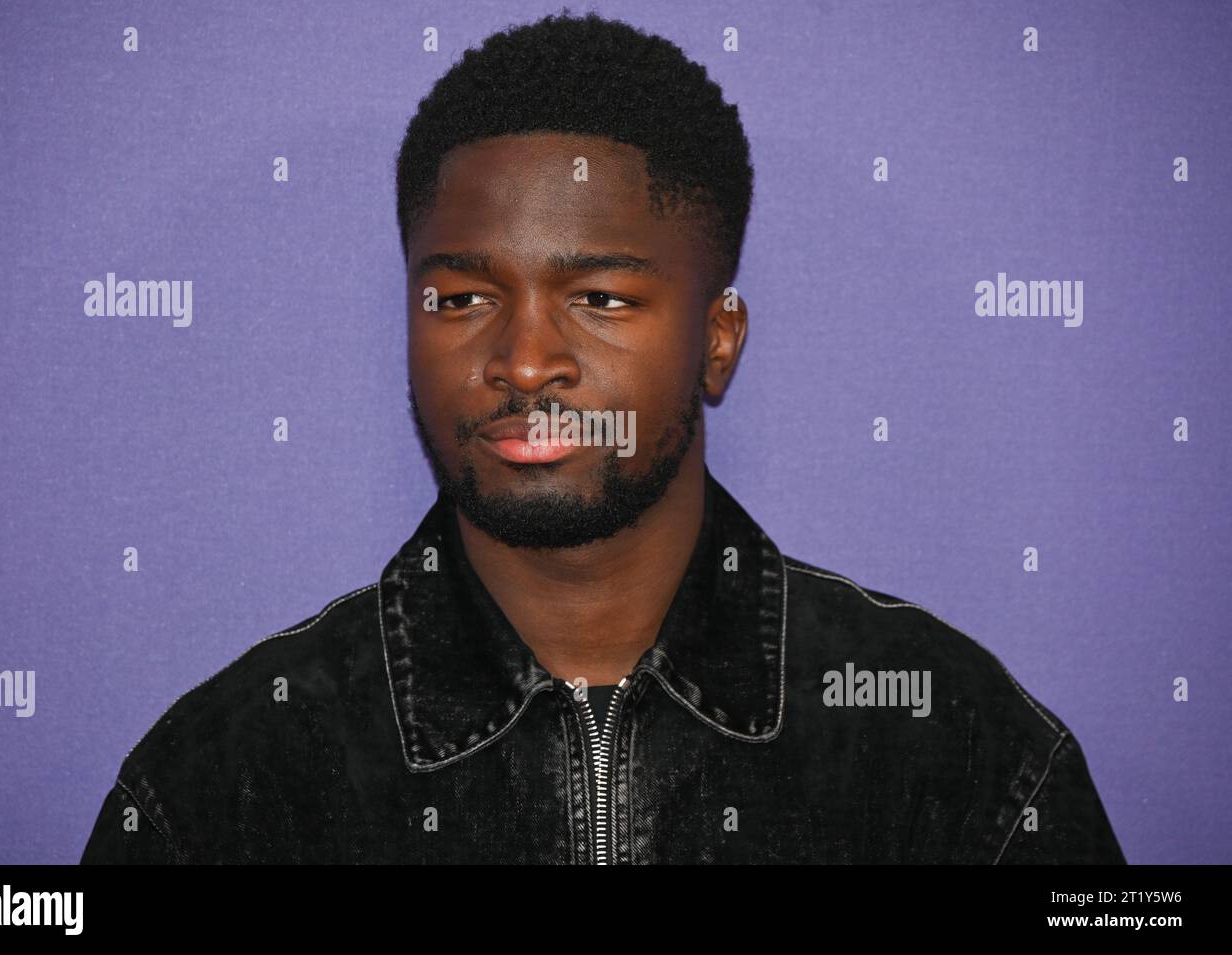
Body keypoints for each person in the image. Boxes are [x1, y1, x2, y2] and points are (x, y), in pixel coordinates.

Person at [81, 10, 1125, 864]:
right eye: (458, 298)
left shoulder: (955, 755)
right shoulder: (228, 783)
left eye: (600, 298)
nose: (524, 360)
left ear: (717, 342)